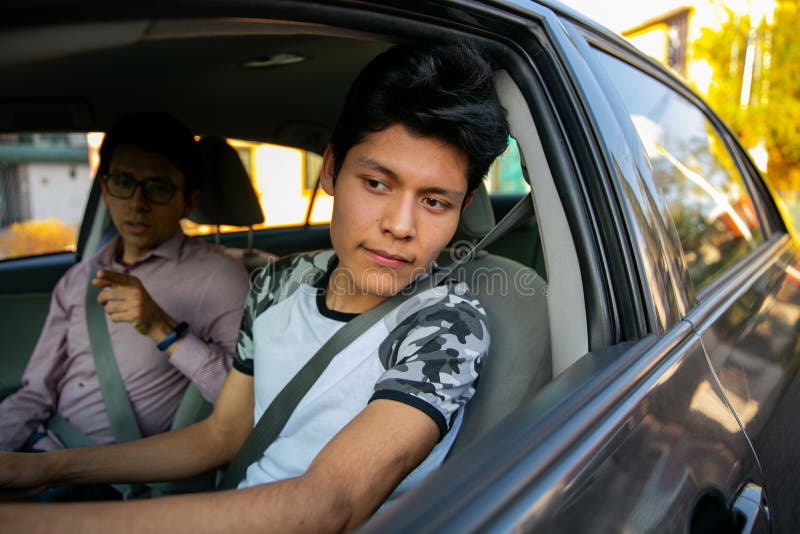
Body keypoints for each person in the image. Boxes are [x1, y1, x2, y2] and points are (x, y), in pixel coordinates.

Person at [0, 42, 509, 531]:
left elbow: (331, 503)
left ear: (462, 210)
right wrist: (45, 469)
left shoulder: (446, 325)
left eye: (435, 202)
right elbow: (222, 435)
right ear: (331, 170)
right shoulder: (275, 284)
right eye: (377, 183)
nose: (401, 225)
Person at [0, 113, 250, 468]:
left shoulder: (220, 277)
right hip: (41, 450)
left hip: (105, 478)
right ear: (104, 188)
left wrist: (163, 330)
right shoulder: (79, 278)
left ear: (188, 202)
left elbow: (243, 404)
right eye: (123, 182)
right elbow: (36, 391)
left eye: (158, 188)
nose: (137, 203)